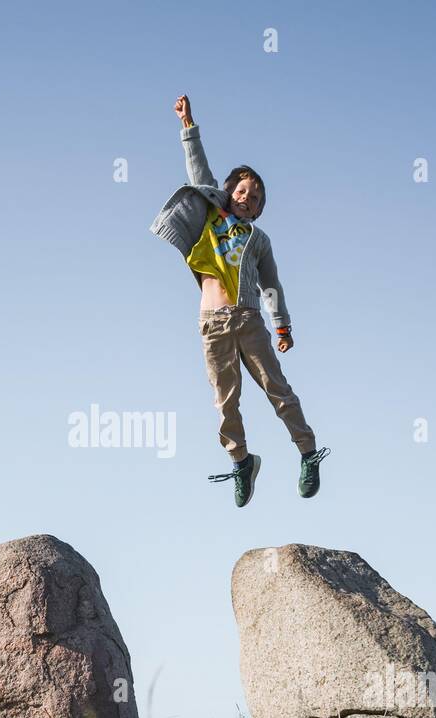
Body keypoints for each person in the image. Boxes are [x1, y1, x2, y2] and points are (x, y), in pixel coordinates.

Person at [150, 94, 328, 508]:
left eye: (257, 197)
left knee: (276, 389)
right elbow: (197, 169)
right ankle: (242, 462)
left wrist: (282, 325)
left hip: (249, 320)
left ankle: (307, 452)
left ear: (260, 211)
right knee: (224, 401)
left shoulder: (258, 240)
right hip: (211, 324)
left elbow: (272, 285)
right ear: (227, 192)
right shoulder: (212, 216)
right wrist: (187, 125)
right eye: (243, 190)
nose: (249, 197)